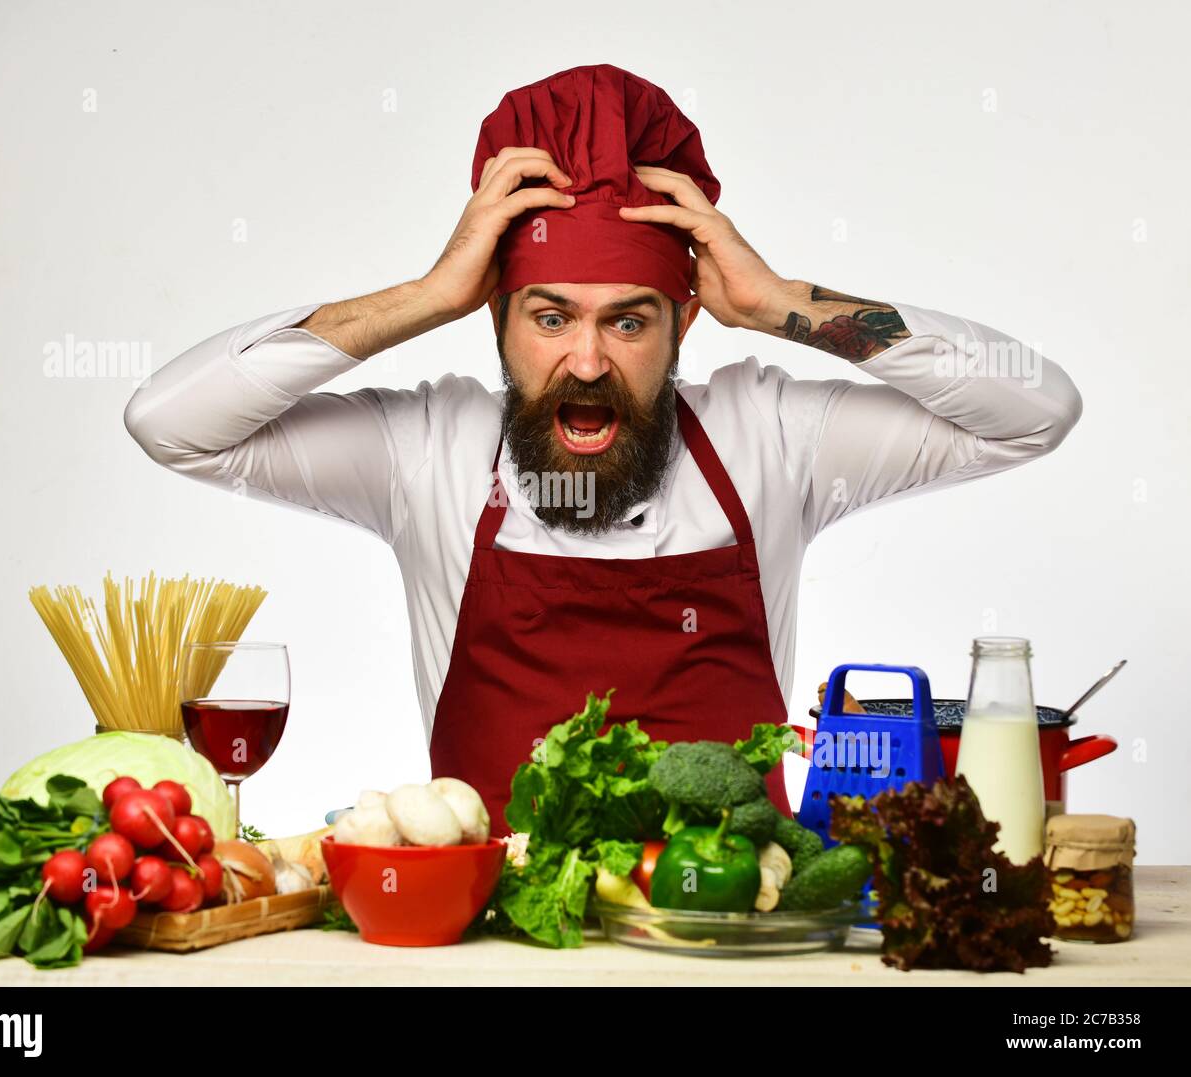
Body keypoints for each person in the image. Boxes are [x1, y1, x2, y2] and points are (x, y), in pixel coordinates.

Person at [124, 64, 1083, 834]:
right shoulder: (429, 450)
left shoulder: (771, 438)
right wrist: (425, 296)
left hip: (728, 939)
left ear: (685, 325)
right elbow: (170, 421)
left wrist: (783, 302)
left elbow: (1036, 408)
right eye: (549, 316)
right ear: (496, 316)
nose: (586, 361)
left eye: (629, 321)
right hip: (495, 952)